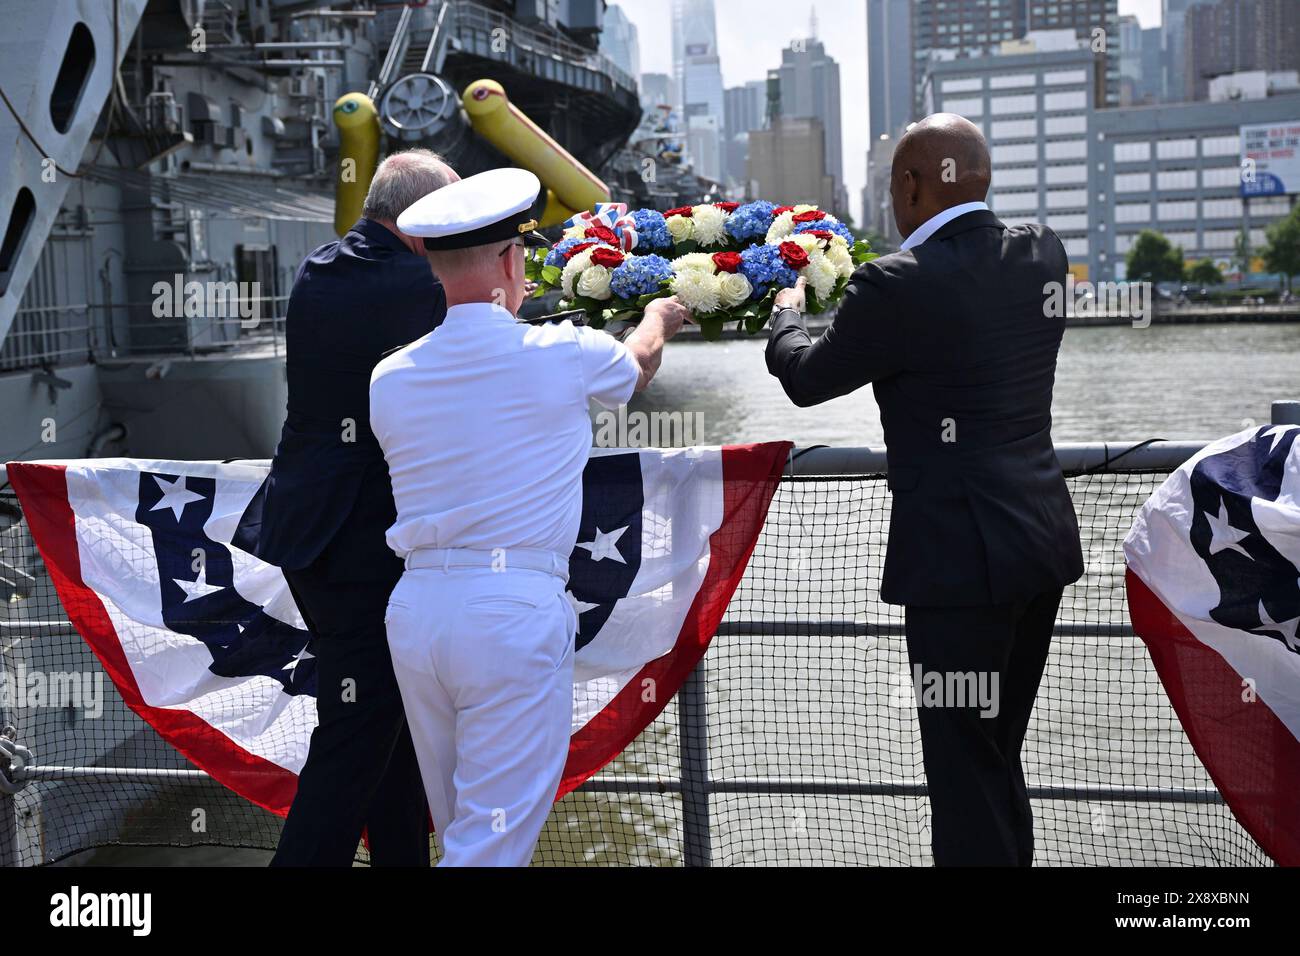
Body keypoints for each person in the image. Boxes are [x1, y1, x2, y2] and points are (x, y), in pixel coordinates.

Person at [765, 113, 1084, 866]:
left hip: (957, 569)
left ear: (911, 186)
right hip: (1038, 551)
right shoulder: (1042, 253)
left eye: (892, 185)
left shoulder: (894, 285)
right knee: (997, 752)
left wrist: (786, 316)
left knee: (961, 765)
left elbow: (809, 380)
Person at [370, 167, 688, 866]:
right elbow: (634, 370)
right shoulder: (565, 353)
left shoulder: (389, 376)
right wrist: (659, 318)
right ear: (513, 261)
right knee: (489, 845)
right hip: (508, 616)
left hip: (417, 613)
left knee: (462, 827)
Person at [248, 149, 458, 866]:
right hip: (364, 547)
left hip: (311, 534)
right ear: (423, 219)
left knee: (389, 731)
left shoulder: (320, 268)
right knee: (355, 738)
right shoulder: (419, 284)